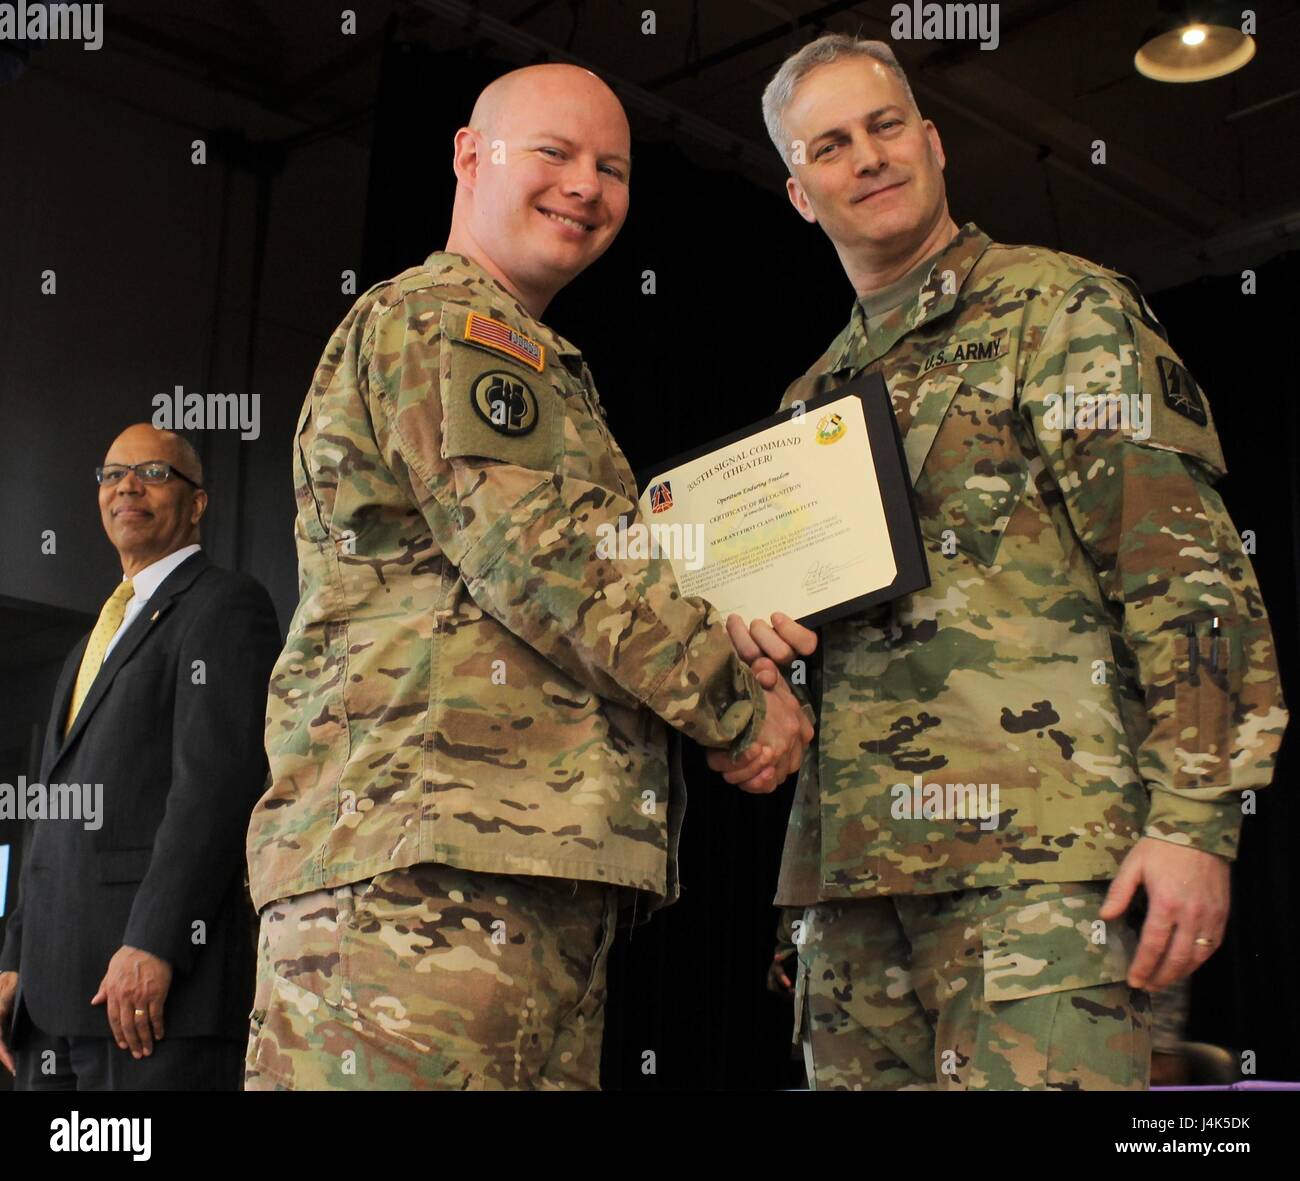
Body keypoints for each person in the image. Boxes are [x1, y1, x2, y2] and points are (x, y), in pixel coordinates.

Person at [731, 34, 1287, 1090]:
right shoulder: (807, 404)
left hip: (1044, 881)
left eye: (886, 125)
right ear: (801, 192)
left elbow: (1185, 575)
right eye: (831, 144)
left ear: (933, 143)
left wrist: (1194, 822)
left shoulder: (1062, 309)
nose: (869, 156)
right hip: (849, 910)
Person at [243, 62, 810, 1092]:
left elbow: (581, 561)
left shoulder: (530, 355)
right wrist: (736, 704)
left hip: (513, 877)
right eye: (553, 152)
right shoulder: (450, 324)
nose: (586, 186)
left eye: (612, 168)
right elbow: (548, 554)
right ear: (469, 155)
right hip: (420, 884)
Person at [0, 424, 280, 1090]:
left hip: (152, 1002)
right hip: (49, 1006)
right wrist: (14, 957)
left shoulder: (224, 605)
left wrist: (157, 940)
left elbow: (216, 789)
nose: (126, 485)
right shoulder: (88, 644)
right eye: (112, 473)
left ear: (198, 502)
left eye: (153, 472)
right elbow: (48, 816)